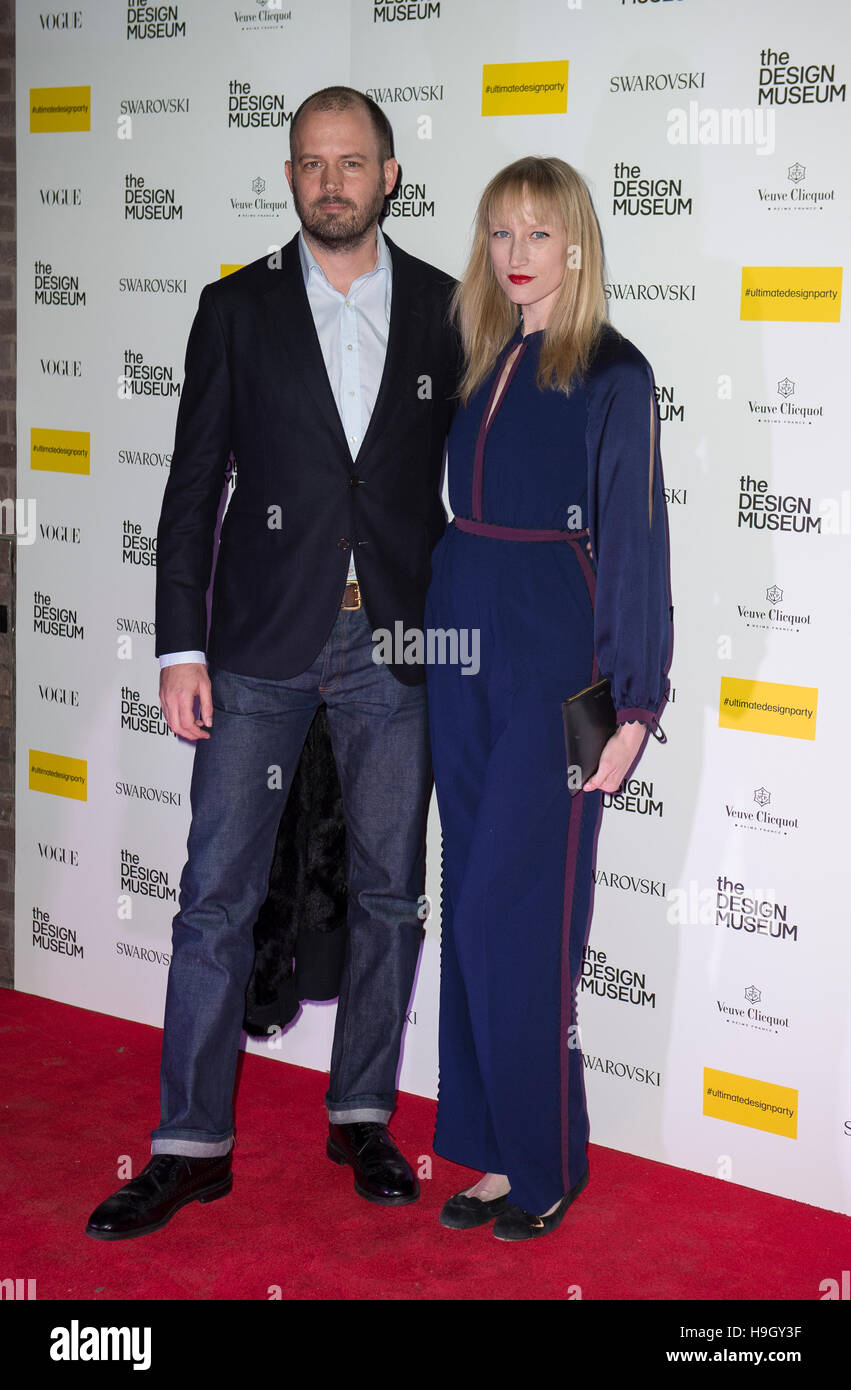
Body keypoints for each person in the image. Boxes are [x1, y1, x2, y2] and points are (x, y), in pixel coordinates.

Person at [86, 87, 460, 1240]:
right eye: (312, 162)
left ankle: (361, 1114)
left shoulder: (452, 308)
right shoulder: (233, 308)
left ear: (388, 175)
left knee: (391, 896)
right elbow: (192, 485)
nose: (331, 181)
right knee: (215, 899)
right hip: (254, 646)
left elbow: (481, 486)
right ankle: (189, 1143)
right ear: (290, 174)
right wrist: (179, 642)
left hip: (395, 640)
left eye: (353, 162)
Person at [424, 156, 672, 1242]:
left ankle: (547, 1159)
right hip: (458, 649)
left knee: (518, 916)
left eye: (535, 234)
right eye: (496, 235)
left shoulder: (614, 373)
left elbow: (633, 543)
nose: (513, 256)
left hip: (556, 672)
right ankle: (484, 1152)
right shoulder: (477, 359)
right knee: (469, 908)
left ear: (574, 244)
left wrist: (632, 704)